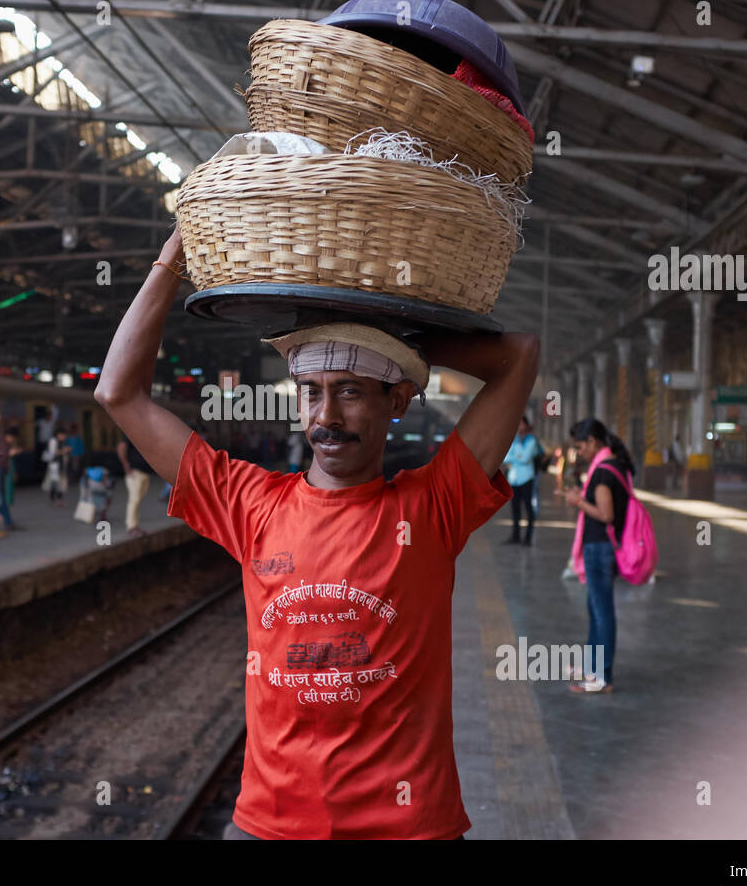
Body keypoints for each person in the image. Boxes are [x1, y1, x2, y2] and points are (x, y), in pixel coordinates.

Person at [94, 227, 536, 840]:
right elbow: (118, 393)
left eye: (351, 392)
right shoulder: (249, 504)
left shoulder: (434, 505)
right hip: (271, 827)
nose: (326, 417)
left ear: (398, 401)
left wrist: (381, 322)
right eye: (311, 393)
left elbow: (518, 354)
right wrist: (173, 260)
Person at [560, 417, 635, 694]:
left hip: (600, 548)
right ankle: (593, 669)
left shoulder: (603, 471)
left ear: (592, 442)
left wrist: (578, 501)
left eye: (580, 447)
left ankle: (602, 677)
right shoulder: (614, 466)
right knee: (596, 611)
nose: (579, 453)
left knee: (602, 613)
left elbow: (606, 514)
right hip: (602, 548)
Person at [501, 415, 542, 545]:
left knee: (528, 508)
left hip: (526, 478)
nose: (519, 427)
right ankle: (515, 536)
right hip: (514, 479)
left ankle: (528, 537)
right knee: (515, 509)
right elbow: (505, 457)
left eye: (521, 424)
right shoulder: (514, 440)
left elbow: (525, 458)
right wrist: (518, 455)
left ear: (526, 425)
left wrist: (515, 455)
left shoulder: (531, 440)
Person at [117, 433, 153, 539]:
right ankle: (131, 527)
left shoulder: (147, 434)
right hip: (135, 472)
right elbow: (121, 448)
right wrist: (126, 466)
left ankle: (135, 526)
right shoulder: (131, 432)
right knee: (134, 499)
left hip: (145, 473)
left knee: (138, 499)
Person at [0, 426, 22, 531]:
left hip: (2, 472)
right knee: (1, 497)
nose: (13, 440)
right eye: (13, 438)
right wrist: (10, 453)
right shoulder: (2, 443)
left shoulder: (3, 442)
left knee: (1, 497)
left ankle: (6, 520)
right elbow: (1, 457)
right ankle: (5, 520)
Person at [43, 425, 69, 506]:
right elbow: (53, 452)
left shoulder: (62, 442)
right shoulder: (53, 441)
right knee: (54, 482)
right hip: (54, 465)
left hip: (61, 464)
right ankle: (54, 499)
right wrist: (64, 451)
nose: (64, 436)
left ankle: (59, 499)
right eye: (63, 435)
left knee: (61, 482)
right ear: (58, 434)